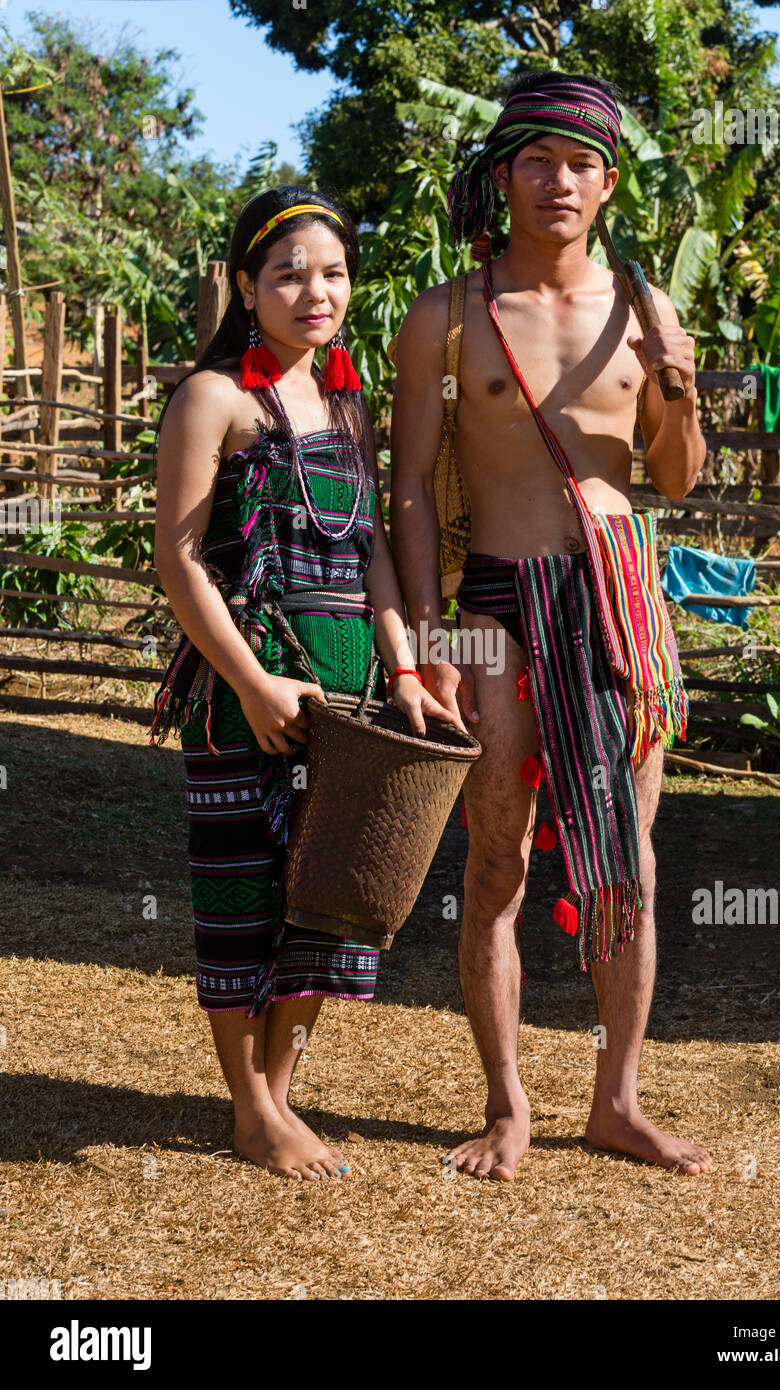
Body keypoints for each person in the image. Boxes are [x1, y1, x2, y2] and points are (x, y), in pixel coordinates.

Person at [390, 71, 711, 1180]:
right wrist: (428, 635)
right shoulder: (447, 312)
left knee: (627, 863)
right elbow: (412, 492)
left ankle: (615, 1102)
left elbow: (671, 476)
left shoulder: (645, 306)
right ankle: (507, 1105)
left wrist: (673, 390)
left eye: (578, 164)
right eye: (536, 161)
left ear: (607, 183)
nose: (557, 181)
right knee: (493, 867)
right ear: (502, 176)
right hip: (496, 609)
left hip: (621, 608)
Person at [150, 187, 463, 1181]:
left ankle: (279, 1094)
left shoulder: (343, 396)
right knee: (243, 894)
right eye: (286, 273)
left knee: (335, 897)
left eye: (330, 272)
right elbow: (182, 558)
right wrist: (250, 683)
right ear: (247, 287)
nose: (311, 290)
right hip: (245, 688)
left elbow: (368, 550)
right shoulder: (213, 398)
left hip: (347, 692)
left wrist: (402, 668)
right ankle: (249, 1109)